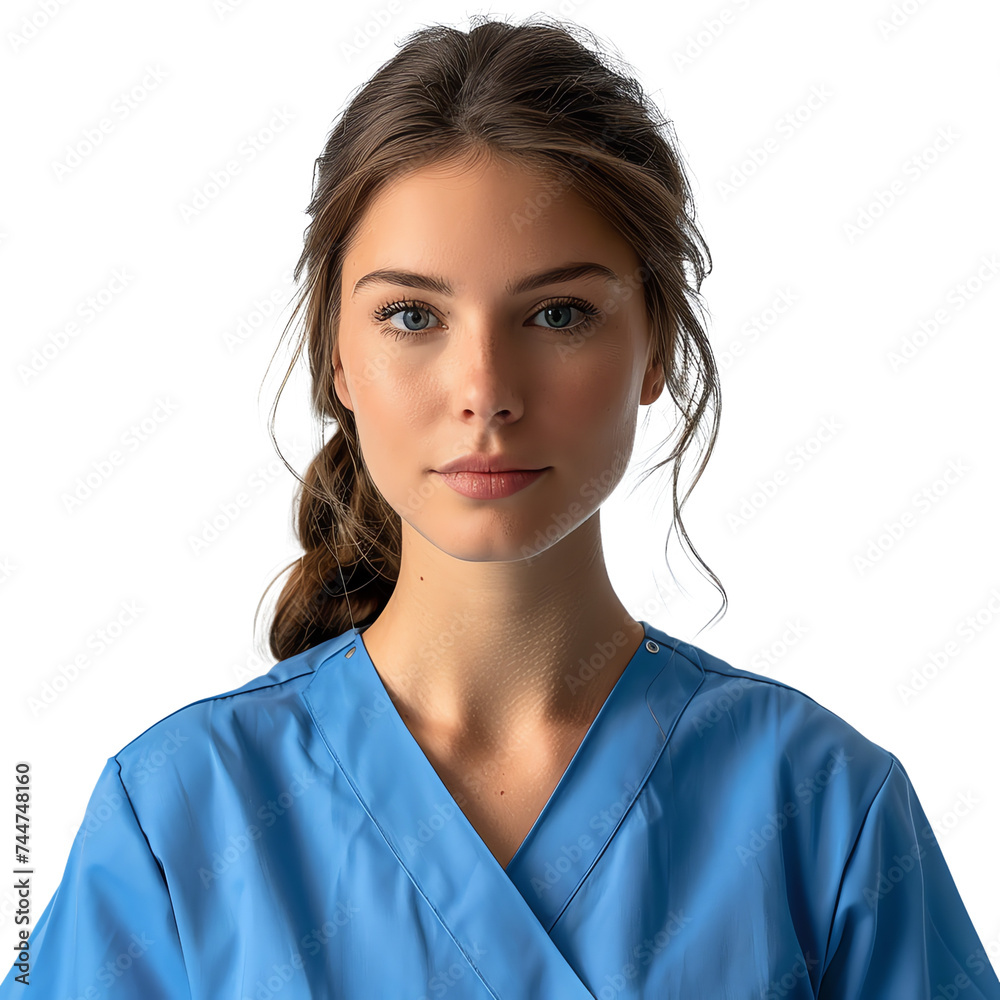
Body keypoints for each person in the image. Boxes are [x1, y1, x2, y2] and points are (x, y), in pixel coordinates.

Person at [3, 15, 998, 999]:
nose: (484, 389)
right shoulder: (178, 818)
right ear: (337, 356)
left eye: (556, 313)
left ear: (653, 347)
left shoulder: (822, 813)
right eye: (412, 315)